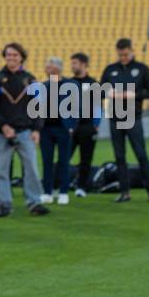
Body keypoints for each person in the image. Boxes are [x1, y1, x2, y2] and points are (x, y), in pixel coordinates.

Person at [0, 42, 49, 217]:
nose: (11, 58)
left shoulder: (31, 79)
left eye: (14, 55)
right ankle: (4, 204)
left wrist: (37, 129)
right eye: (8, 55)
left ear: (21, 57)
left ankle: (35, 202)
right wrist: (3, 126)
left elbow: (38, 106)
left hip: (25, 131)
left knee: (31, 168)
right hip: (0, 132)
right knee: (0, 170)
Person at [100, 37, 149, 203]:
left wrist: (135, 95)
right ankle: (125, 192)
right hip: (114, 117)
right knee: (119, 156)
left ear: (132, 51)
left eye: (126, 54)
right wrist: (107, 93)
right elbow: (100, 90)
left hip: (133, 117)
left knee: (141, 154)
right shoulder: (110, 69)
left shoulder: (142, 69)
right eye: (120, 55)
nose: (123, 57)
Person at [36, 56, 74, 205]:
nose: (46, 69)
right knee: (47, 161)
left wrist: (72, 126)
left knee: (64, 161)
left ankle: (63, 191)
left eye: (49, 66)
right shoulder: (43, 86)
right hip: (45, 129)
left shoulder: (70, 85)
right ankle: (47, 191)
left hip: (63, 128)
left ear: (58, 68)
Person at [67, 52, 100, 197]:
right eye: (72, 63)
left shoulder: (93, 83)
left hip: (87, 126)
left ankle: (81, 187)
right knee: (64, 157)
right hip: (71, 126)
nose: (72, 66)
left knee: (85, 159)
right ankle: (61, 185)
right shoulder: (67, 83)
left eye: (75, 63)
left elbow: (98, 105)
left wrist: (96, 123)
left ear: (83, 64)